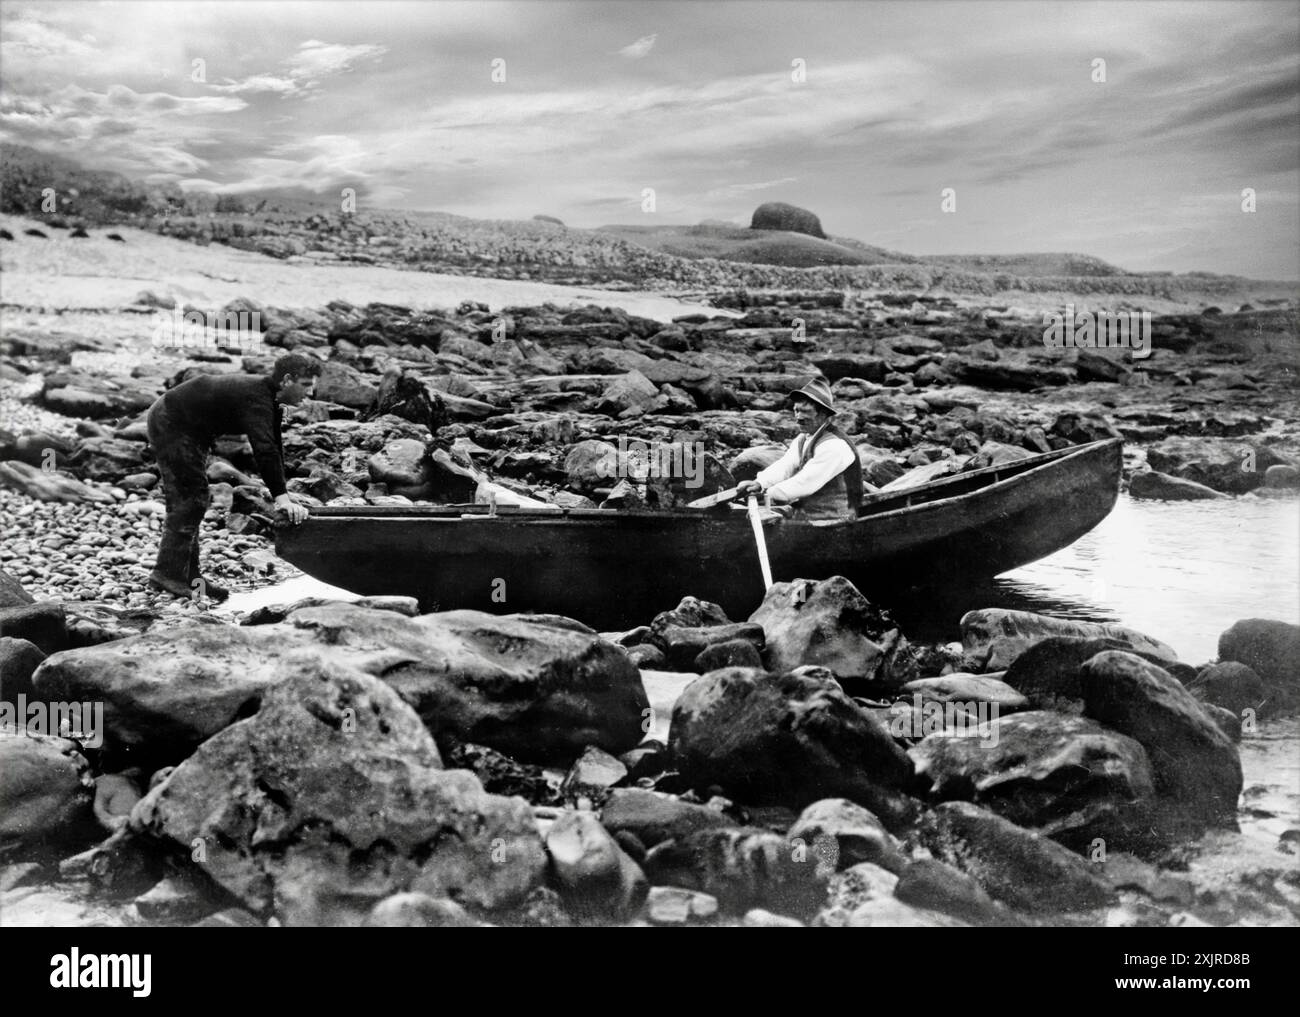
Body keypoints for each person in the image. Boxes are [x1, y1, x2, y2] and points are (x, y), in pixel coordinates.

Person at [145, 354, 322, 601]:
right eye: (305, 384)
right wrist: (281, 499)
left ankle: (190, 578)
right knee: (190, 499)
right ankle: (167, 574)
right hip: (171, 421)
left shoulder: (270, 399)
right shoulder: (257, 397)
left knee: (196, 498)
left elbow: (274, 446)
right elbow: (263, 450)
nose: (310, 392)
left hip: (192, 429)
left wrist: (283, 492)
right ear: (287, 380)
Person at [735, 378, 862, 521]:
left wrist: (767, 494)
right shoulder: (803, 438)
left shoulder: (835, 445)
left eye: (805, 412)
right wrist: (760, 483)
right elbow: (785, 466)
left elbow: (806, 482)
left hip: (837, 517)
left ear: (823, 414)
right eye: (796, 411)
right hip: (808, 512)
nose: (798, 417)